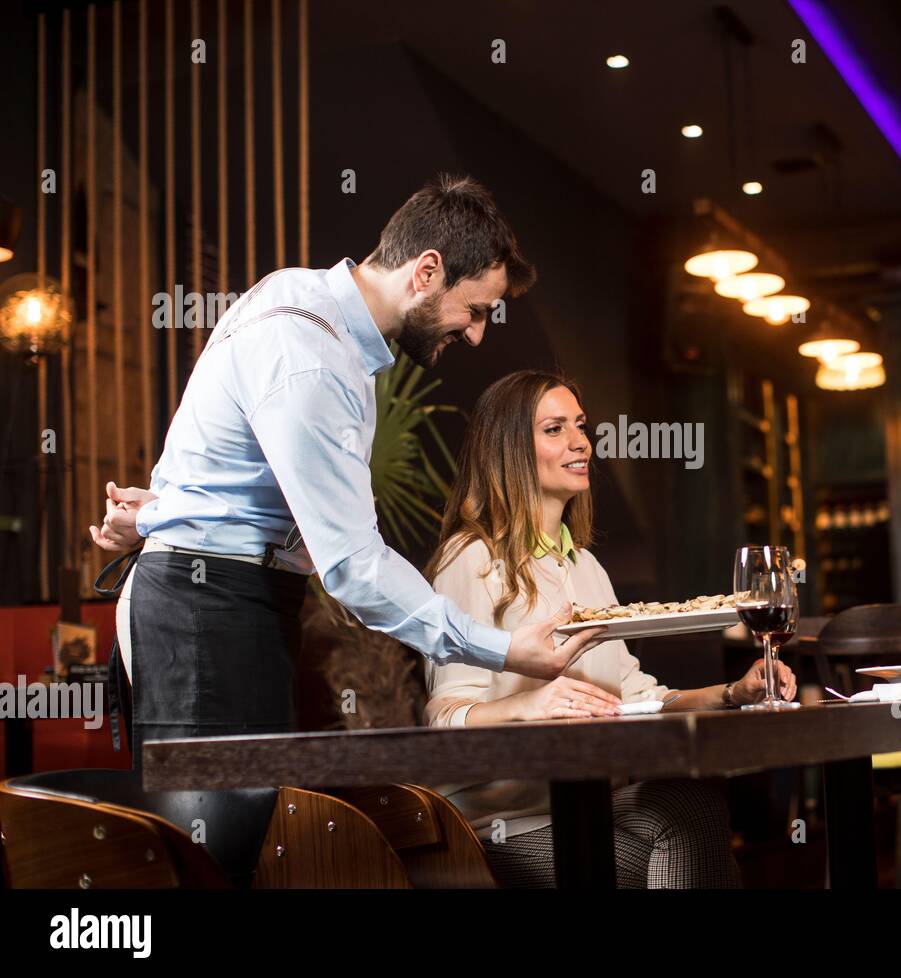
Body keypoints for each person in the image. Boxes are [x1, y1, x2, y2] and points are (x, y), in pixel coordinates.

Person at [87, 176, 607, 766]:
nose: (477, 332)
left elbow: (235, 461)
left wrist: (161, 512)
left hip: (226, 592)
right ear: (427, 271)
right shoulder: (309, 351)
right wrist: (504, 649)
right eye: (477, 309)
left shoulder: (300, 300)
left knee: (241, 828)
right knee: (214, 836)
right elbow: (354, 566)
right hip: (206, 604)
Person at [424, 369, 798, 887]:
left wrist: (735, 692)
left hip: (590, 801)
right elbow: (444, 717)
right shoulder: (472, 559)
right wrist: (528, 705)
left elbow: (639, 697)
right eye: (554, 429)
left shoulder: (586, 568)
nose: (581, 442)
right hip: (504, 828)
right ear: (509, 449)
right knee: (686, 847)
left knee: (691, 800)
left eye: (580, 425)